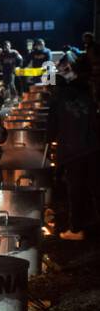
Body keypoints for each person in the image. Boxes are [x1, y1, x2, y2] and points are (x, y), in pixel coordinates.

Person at [47, 55, 100, 239]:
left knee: (76, 190)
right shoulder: (85, 95)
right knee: (96, 187)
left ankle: (76, 229)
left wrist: (48, 141)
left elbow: (51, 129)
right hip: (93, 147)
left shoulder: (58, 101)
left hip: (72, 151)